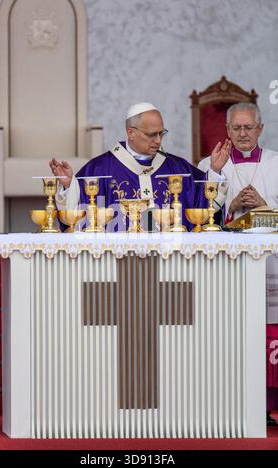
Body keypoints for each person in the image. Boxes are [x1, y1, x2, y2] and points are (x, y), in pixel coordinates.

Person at [198, 102, 278, 425]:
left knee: (269, 327)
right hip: (228, 264)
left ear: (260, 129)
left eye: (249, 128)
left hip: (272, 261)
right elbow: (198, 215)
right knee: (232, 327)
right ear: (227, 131)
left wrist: (264, 204)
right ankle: (230, 400)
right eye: (237, 128)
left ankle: (271, 403)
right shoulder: (211, 164)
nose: (243, 134)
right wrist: (230, 202)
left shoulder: (275, 163)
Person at [49, 102, 228, 231]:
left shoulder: (176, 167)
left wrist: (215, 171)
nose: (158, 140)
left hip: (171, 262)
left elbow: (203, 203)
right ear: (131, 133)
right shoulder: (101, 169)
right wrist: (68, 186)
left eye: (161, 133)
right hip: (116, 263)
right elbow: (76, 215)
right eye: (151, 135)